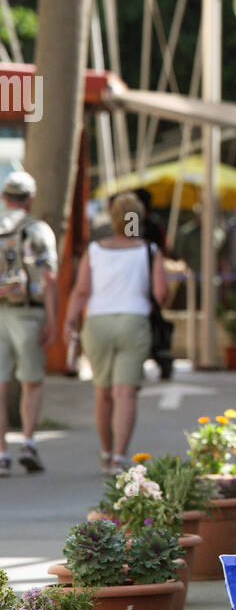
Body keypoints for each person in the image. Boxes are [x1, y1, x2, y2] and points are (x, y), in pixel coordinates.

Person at [63, 191, 168, 472]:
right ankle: (120, 457)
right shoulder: (149, 251)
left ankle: (106, 451)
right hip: (133, 323)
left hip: (98, 325)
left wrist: (69, 321)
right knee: (125, 394)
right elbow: (161, 294)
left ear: (112, 218)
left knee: (103, 392)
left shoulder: (95, 251)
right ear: (140, 217)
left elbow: (81, 291)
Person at [0, 170, 58, 476]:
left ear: (4, 197)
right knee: (31, 382)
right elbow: (49, 278)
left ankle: (1, 452)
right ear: (30, 199)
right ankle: (28, 442)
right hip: (28, 313)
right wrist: (53, 318)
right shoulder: (38, 230)